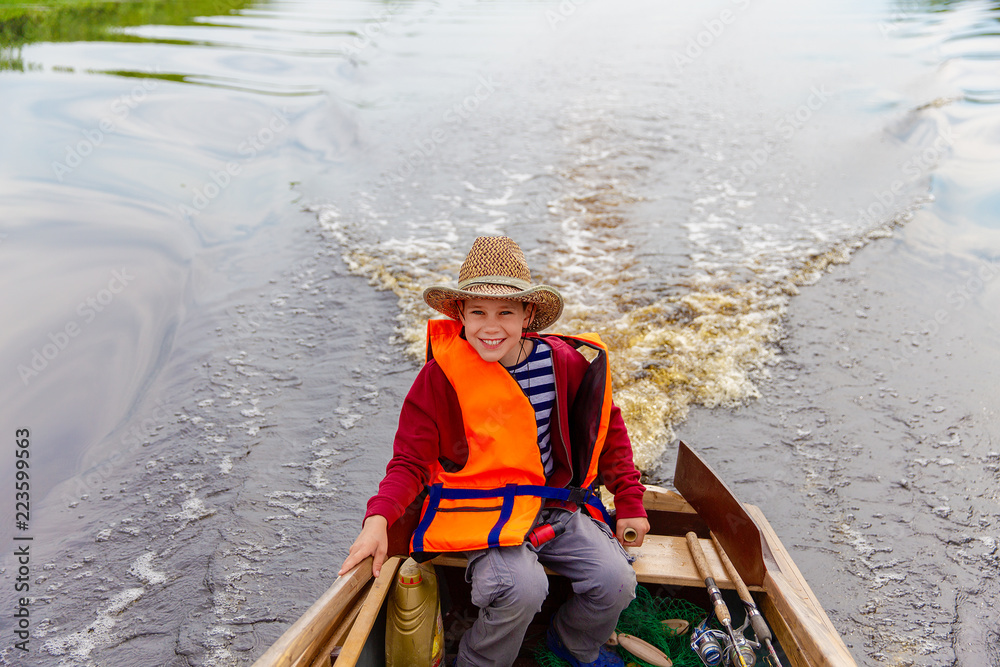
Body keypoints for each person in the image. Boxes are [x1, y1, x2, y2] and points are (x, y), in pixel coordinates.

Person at [339, 236, 650, 667]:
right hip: (479, 511)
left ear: (528, 314)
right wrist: (378, 519)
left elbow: (608, 429)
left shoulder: (563, 362)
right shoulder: (438, 379)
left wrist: (630, 499)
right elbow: (409, 462)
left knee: (616, 580)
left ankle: (570, 644)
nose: (491, 326)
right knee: (522, 586)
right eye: (478, 312)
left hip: (553, 506)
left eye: (506, 311)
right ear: (461, 315)